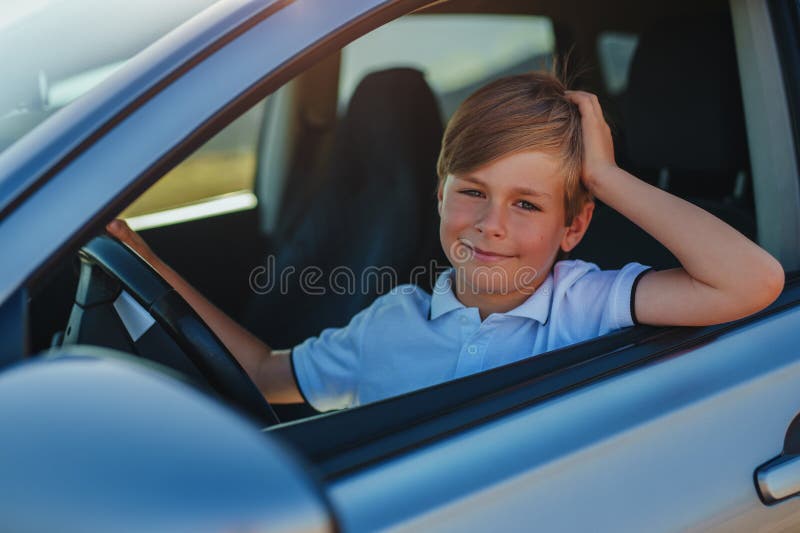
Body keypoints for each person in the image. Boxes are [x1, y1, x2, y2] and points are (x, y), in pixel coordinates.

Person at [107, 71, 784, 412]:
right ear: (439, 195)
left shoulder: (588, 303)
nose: (491, 223)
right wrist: (150, 263)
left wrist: (605, 176)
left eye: (526, 203)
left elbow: (750, 281)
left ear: (574, 226)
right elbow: (263, 375)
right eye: (472, 191)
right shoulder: (389, 323)